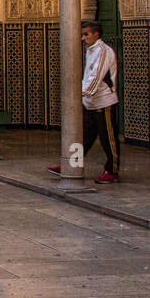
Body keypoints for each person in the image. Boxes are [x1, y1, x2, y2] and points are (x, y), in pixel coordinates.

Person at [47, 19, 120, 183]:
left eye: (86, 34)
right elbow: (88, 76)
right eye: (82, 34)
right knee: (83, 136)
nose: (83, 38)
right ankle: (72, 165)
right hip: (90, 101)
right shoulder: (91, 50)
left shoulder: (103, 51)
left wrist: (79, 94)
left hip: (103, 102)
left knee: (108, 138)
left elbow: (97, 77)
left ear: (96, 34)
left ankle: (112, 170)